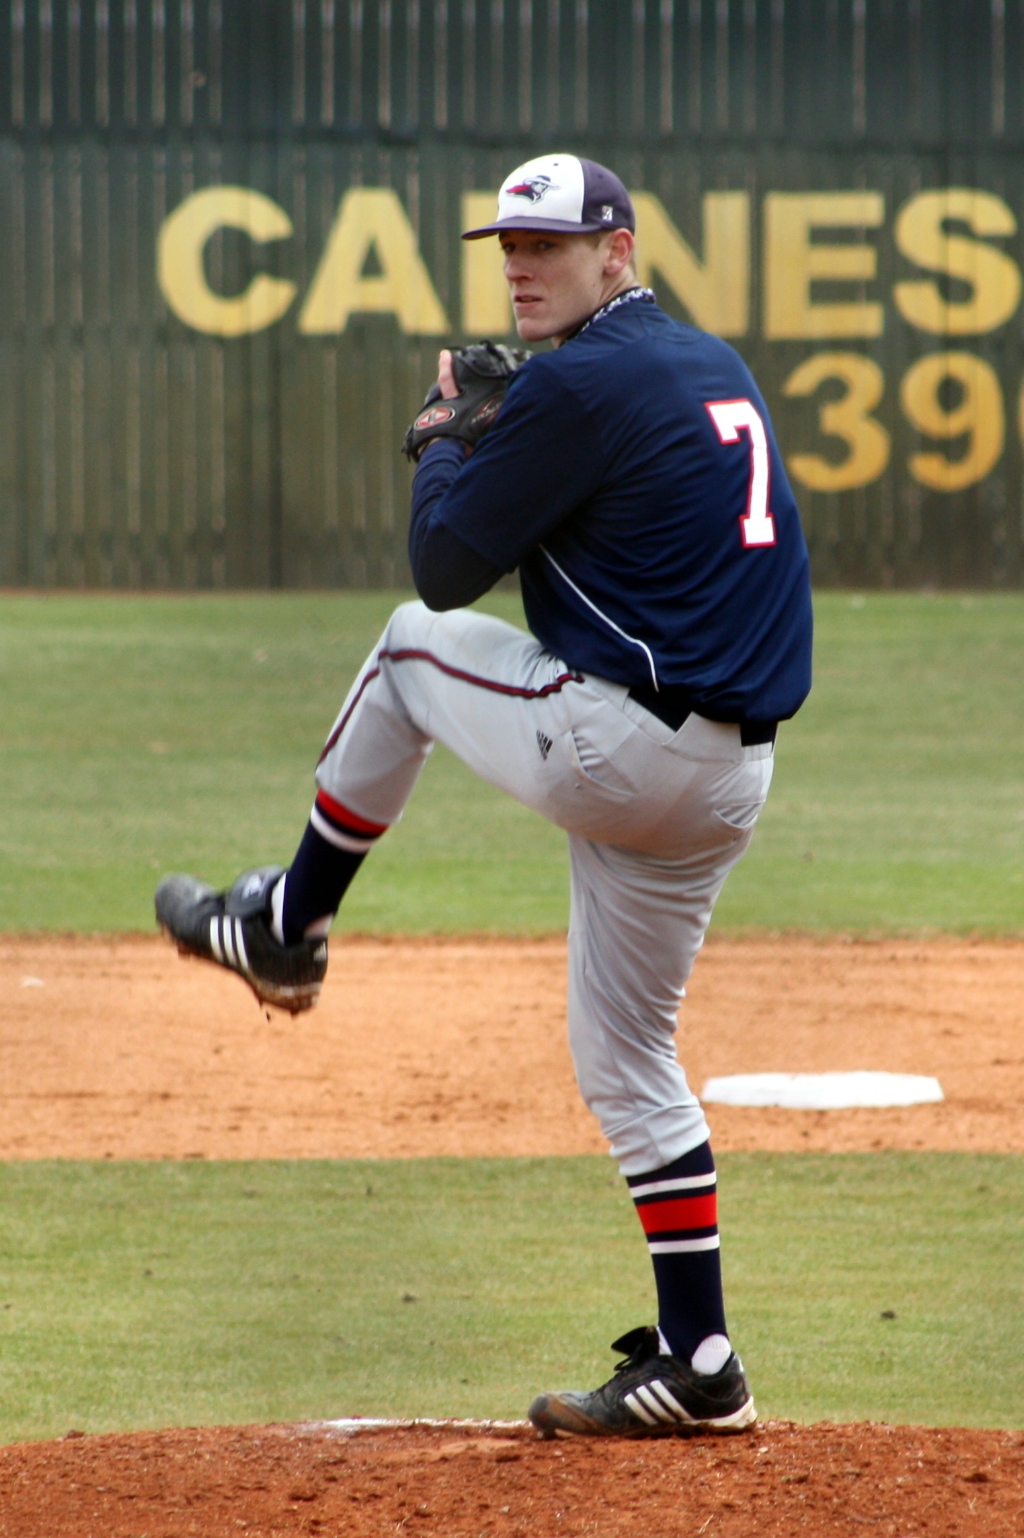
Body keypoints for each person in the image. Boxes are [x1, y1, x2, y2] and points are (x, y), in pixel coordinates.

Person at [156, 152, 812, 1438]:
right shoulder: (710, 362)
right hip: (731, 774)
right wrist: (514, 426)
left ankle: (289, 921)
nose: (521, 266)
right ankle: (703, 1359)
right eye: (509, 246)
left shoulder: (577, 379)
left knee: (407, 643)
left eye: (552, 245)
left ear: (617, 253)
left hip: (628, 745)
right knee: (627, 1058)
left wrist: (443, 438)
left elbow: (450, 565)